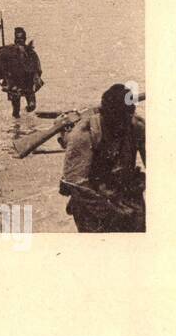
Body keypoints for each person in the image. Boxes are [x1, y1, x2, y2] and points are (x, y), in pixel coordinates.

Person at [58, 84, 146, 232]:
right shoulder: (83, 135)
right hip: (91, 200)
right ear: (104, 114)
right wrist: (113, 212)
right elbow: (76, 183)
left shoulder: (136, 126)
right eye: (117, 120)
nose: (122, 125)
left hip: (125, 193)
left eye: (126, 119)